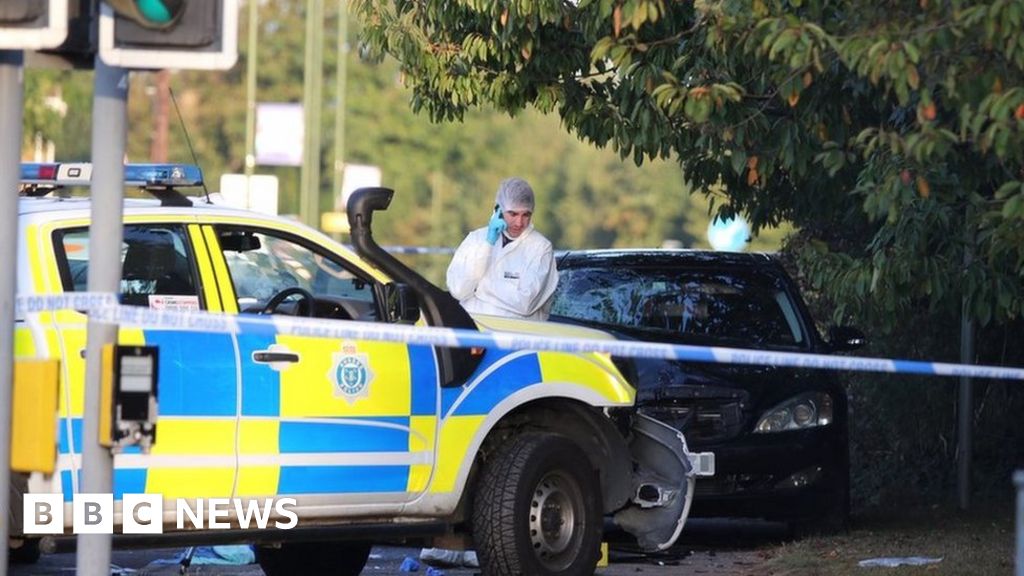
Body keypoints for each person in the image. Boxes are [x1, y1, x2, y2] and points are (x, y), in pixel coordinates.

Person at [446, 177, 559, 321]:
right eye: (513, 214)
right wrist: (488, 244)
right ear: (498, 210)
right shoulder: (475, 239)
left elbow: (526, 303)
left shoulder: (540, 248)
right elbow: (458, 289)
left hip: (514, 338)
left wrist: (479, 287)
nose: (519, 222)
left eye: (526, 215)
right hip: (472, 335)